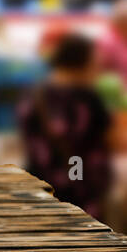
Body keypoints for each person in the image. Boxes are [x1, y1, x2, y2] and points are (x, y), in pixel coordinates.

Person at [18, 32, 112, 221]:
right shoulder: (87, 99)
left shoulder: (33, 96)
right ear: (80, 64)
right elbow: (110, 139)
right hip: (81, 189)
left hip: (41, 190)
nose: (97, 71)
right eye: (95, 65)